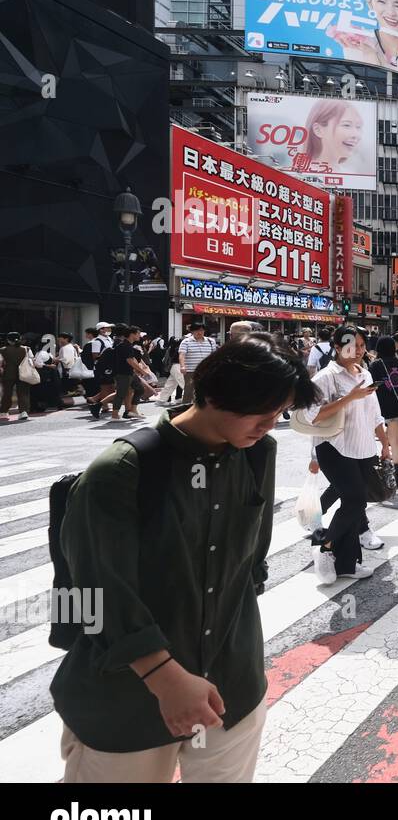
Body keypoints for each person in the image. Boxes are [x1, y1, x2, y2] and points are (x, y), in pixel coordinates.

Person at [52, 334, 314, 782]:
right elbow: (94, 593)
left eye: (280, 413)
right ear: (212, 393)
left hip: (232, 685)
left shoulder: (256, 456)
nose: (270, 425)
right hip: (127, 700)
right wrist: (164, 676)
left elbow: (250, 564)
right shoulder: (122, 470)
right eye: (261, 411)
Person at [303, 325, 388, 584]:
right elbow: (311, 415)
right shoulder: (326, 377)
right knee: (353, 500)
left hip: (363, 447)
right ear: (337, 348)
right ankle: (326, 547)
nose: (359, 351)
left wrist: (385, 444)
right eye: (352, 347)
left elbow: (374, 413)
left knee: (355, 504)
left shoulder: (365, 373)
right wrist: (349, 397)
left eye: (362, 346)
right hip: (334, 448)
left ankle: (347, 563)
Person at [370, 336, 398, 490]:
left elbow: (369, 387)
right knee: (394, 442)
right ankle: (395, 477)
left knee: (372, 441)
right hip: (397, 408)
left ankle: (376, 474)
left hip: (377, 409)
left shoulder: (375, 365)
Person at [178, 322, 218, 406]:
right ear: (192, 331)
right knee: (189, 390)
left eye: (201, 330)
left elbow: (214, 356)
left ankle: (202, 408)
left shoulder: (211, 341)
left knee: (205, 390)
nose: (199, 332)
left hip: (206, 371)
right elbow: (182, 355)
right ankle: (185, 408)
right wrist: (182, 366)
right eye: (197, 330)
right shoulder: (186, 341)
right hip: (190, 370)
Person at [1, 332, 33, 420]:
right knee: (23, 393)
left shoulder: (3, 350)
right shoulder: (26, 349)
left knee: (7, 393)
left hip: (8, 374)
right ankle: (24, 411)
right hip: (23, 373)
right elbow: (32, 360)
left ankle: (4, 411)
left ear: (8, 340)